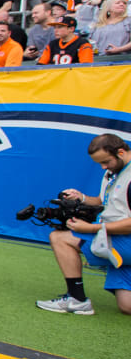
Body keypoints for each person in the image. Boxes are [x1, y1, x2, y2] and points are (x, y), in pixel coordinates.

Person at [35, 134, 131, 316]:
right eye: (100, 163)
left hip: (125, 239)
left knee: (59, 238)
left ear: (120, 152)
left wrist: (91, 228)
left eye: (106, 162)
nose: (103, 167)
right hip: (119, 237)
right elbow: (105, 202)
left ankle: (77, 299)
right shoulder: (114, 170)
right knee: (127, 305)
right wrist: (83, 198)